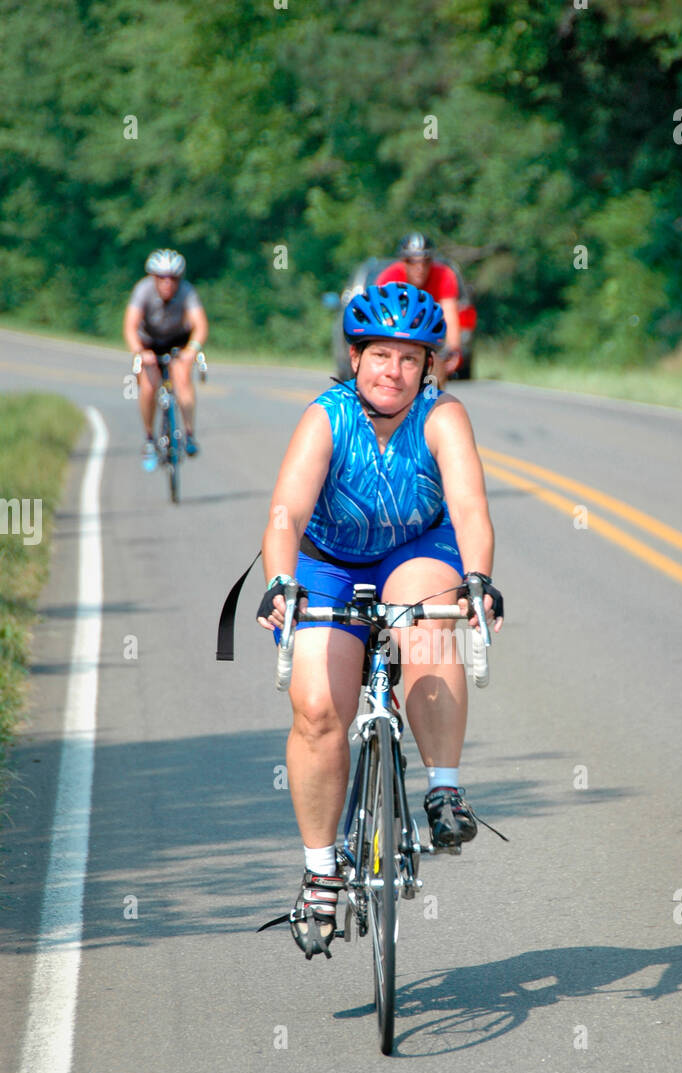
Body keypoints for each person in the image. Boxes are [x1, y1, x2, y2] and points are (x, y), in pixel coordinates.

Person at [256, 282, 503, 960]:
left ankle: (444, 791)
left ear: (430, 366)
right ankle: (319, 870)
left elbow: (472, 508)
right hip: (327, 561)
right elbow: (286, 513)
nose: (392, 371)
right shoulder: (326, 417)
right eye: (379, 355)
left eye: (409, 358)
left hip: (417, 548)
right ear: (355, 357)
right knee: (317, 709)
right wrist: (281, 578)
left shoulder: (442, 416)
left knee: (426, 619)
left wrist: (478, 580)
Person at [123, 249, 209, 470]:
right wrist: (139, 352)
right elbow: (130, 326)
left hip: (178, 341)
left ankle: (189, 434)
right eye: (162, 278)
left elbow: (200, 325)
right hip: (149, 342)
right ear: (153, 278)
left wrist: (192, 349)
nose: (167, 283)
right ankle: (149, 439)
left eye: (173, 278)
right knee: (149, 387)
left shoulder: (187, 292)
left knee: (182, 379)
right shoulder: (143, 290)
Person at [376, 233, 462, 387]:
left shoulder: (444, 276)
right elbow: (383, 318)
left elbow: (450, 314)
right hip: (397, 338)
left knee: (435, 380)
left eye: (426, 261)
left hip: (429, 341)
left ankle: (433, 405)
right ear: (403, 262)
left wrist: (453, 349)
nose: (419, 268)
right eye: (412, 261)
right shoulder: (390, 277)